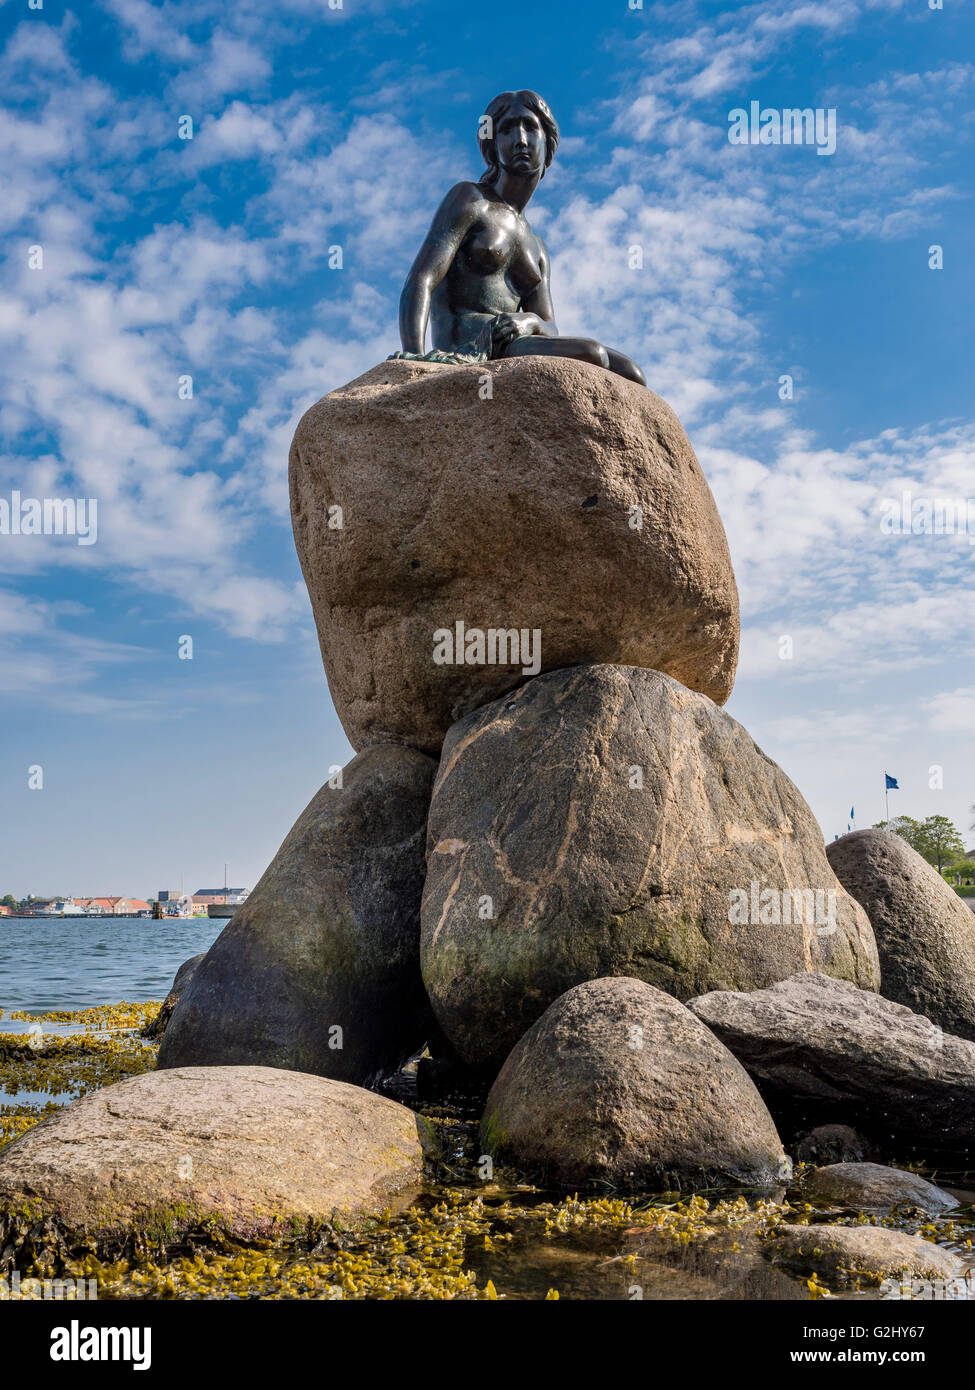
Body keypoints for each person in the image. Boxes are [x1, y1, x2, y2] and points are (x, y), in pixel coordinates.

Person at [395, 90, 646, 385]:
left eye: (530, 127)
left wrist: (528, 320)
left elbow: (549, 325)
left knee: (630, 371)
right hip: (470, 347)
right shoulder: (470, 200)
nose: (521, 140)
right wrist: (414, 358)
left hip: (516, 342)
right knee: (592, 353)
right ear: (493, 145)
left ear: (547, 140)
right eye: (507, 129)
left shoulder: (537, 246)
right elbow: (421, 278)